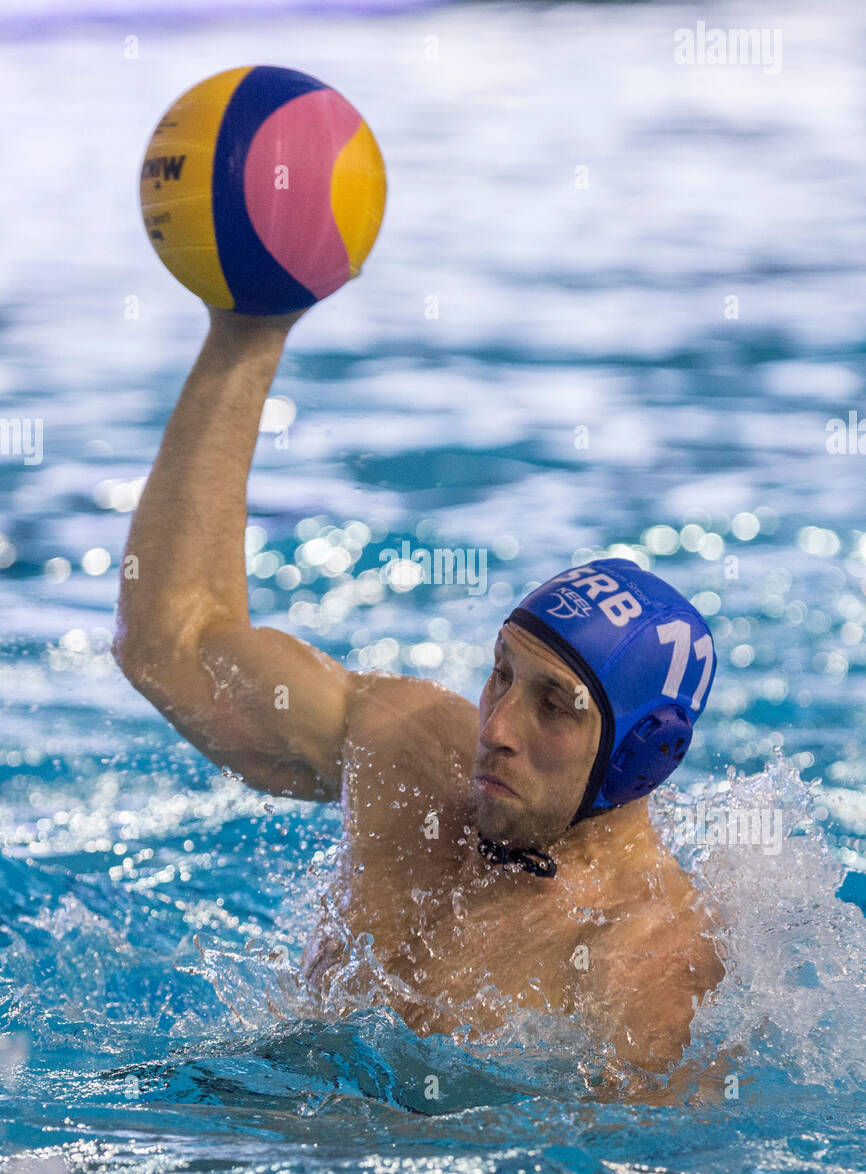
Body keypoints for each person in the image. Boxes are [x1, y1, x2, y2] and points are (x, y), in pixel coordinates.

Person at [114, 307, 724, 1080]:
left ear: (639, 756)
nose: (494, 728)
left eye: (554, 705)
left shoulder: (643, 972)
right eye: (501, 672)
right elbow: (172, 646)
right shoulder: (407, 747)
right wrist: (248, 331)